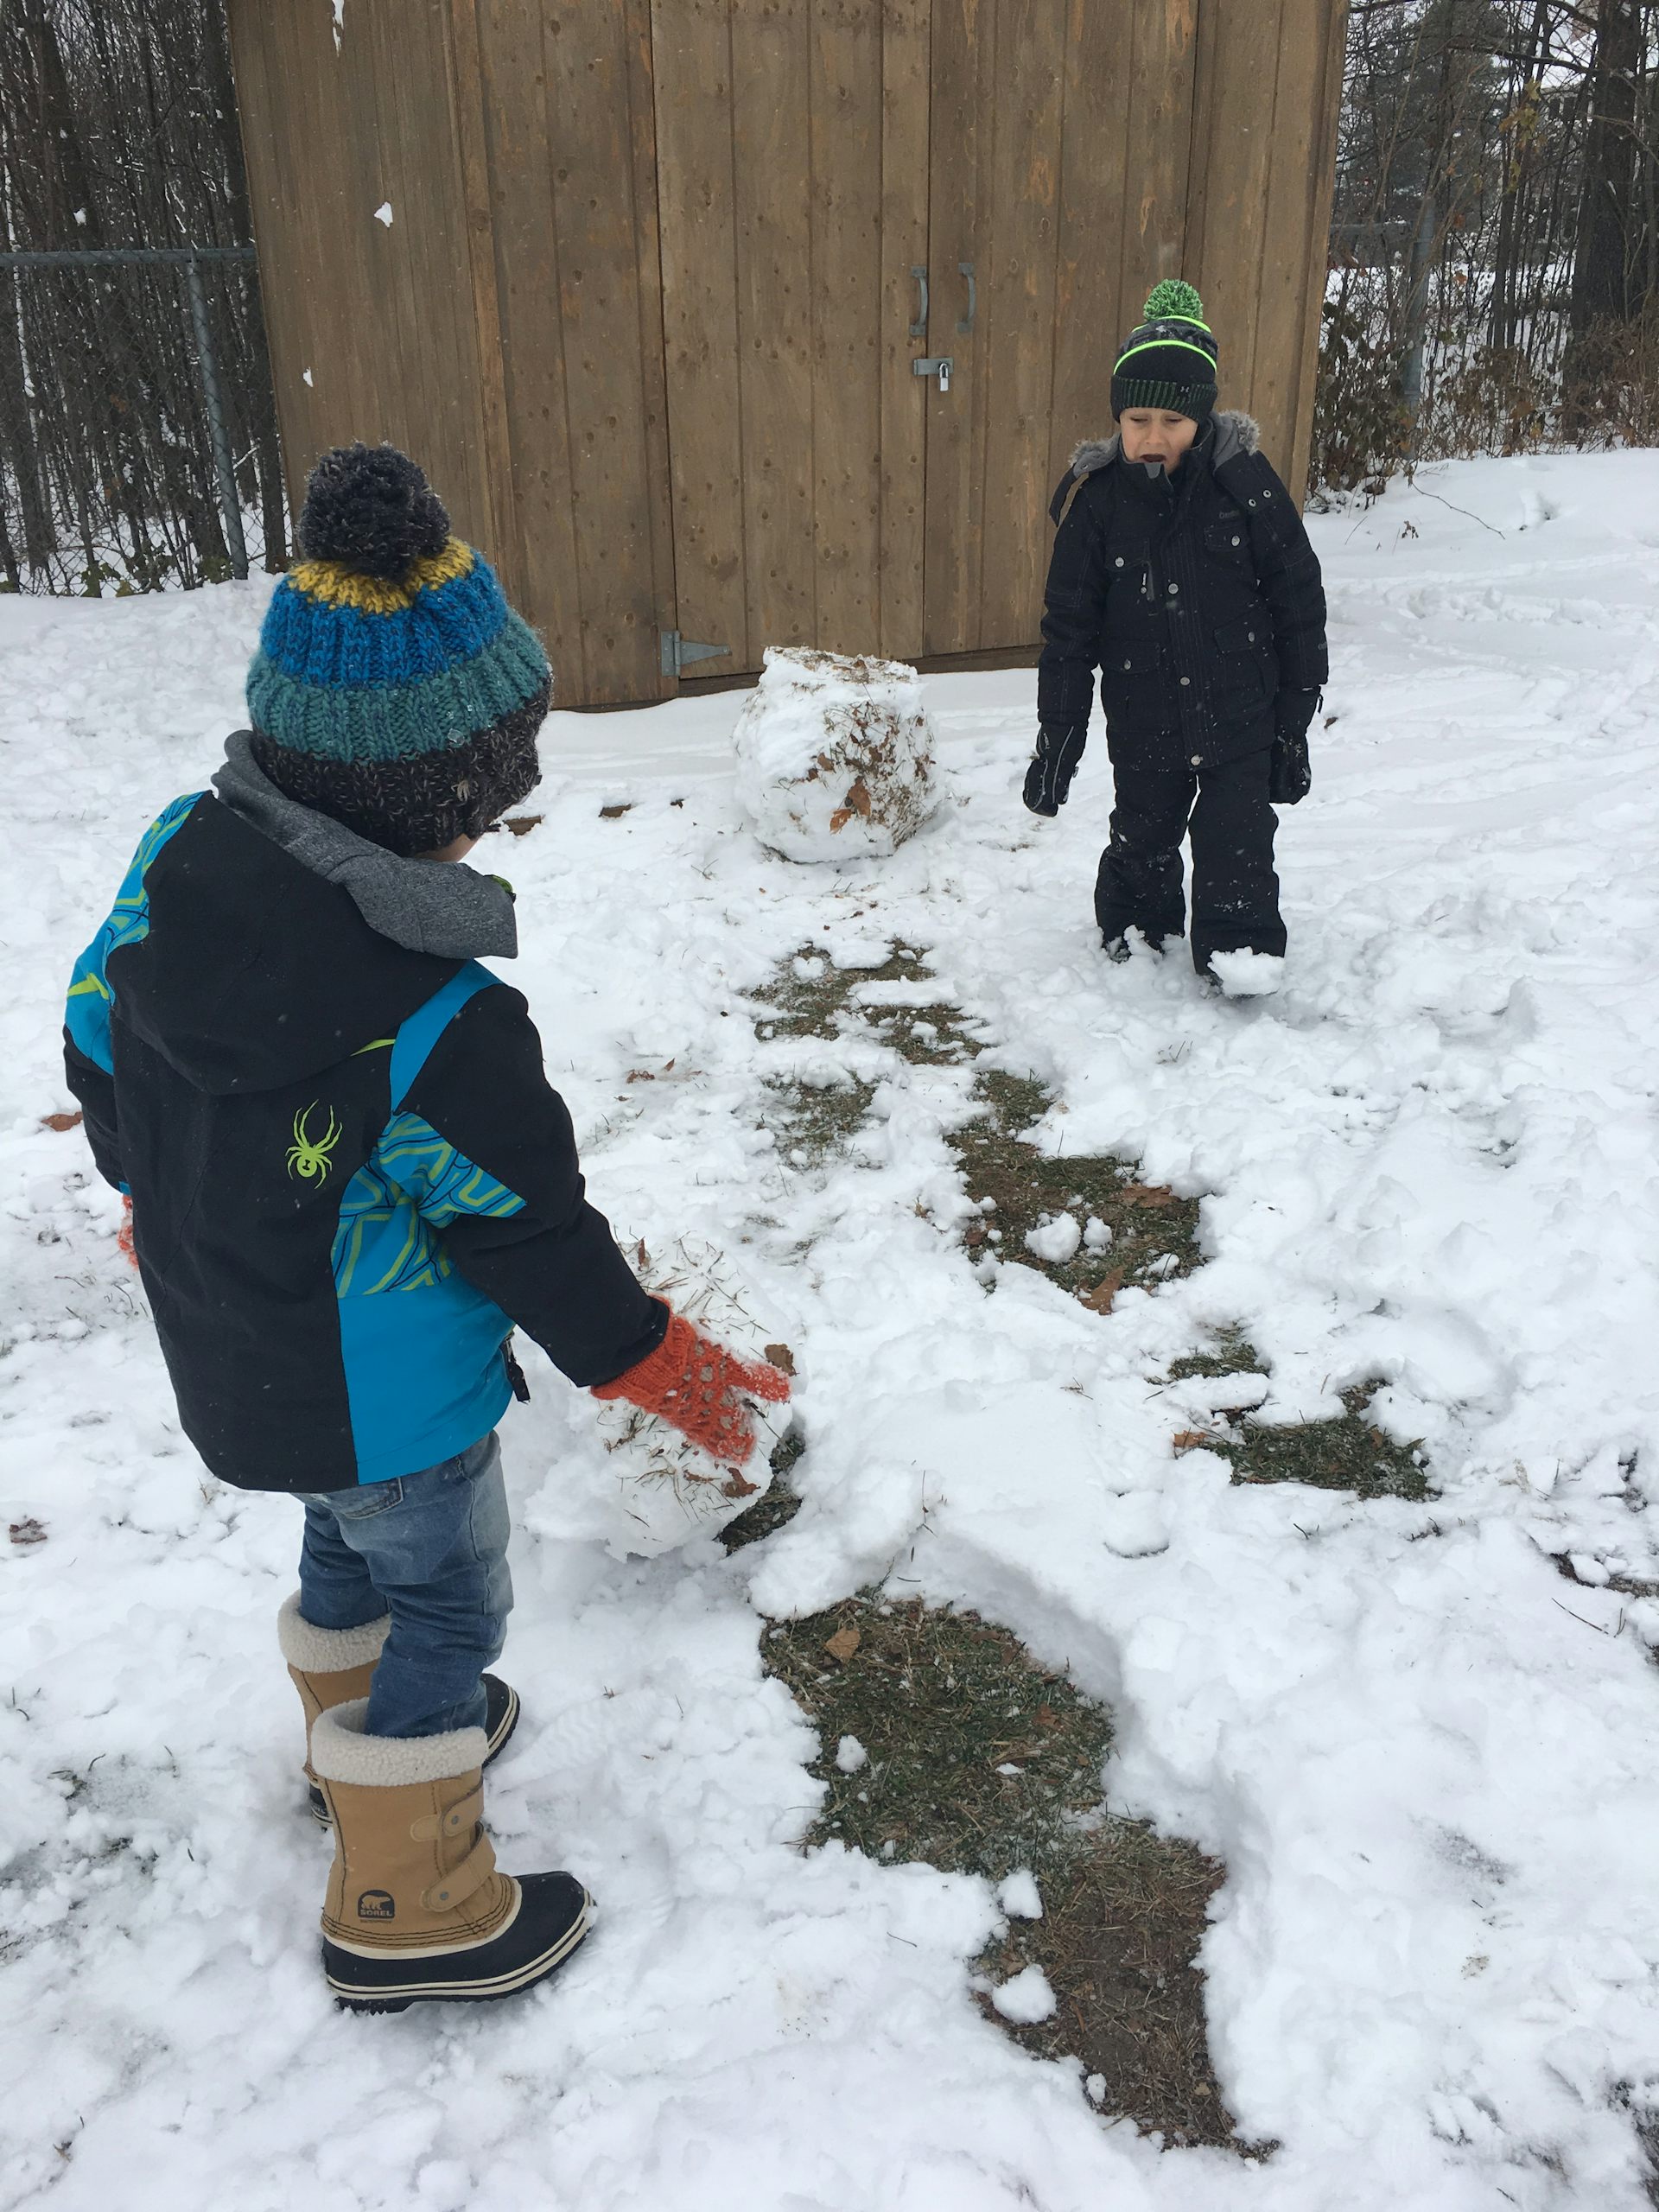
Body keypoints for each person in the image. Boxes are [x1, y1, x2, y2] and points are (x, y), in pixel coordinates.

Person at [62, 442, 789, 2014]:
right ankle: (410, 1889)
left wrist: (144, 1186)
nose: (491, 831)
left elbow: (94, 1030)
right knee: (449, 1596)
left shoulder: (173, 867)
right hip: (393, 1395)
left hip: (231, 1344)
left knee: (341, 1535)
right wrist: (646, 1355)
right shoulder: (438, 1025)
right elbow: (527, 1226)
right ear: (433, 807)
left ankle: (355, 1741)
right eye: (484, 802)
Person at [1023, 280, 1327, 984]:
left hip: (1240, 710)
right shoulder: (1096, 506)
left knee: (1237, 840)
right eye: (1136, 419)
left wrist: (1294, 715)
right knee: (1144, 835)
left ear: (1200, 418)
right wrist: (1058, 741)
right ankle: (1137, 932)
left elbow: (1297, 594)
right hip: (1145, 713)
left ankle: (1240, 952)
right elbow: (1068, 631)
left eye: (1171, 420)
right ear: (1117, 419)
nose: (1152, 438)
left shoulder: (1242, 483)